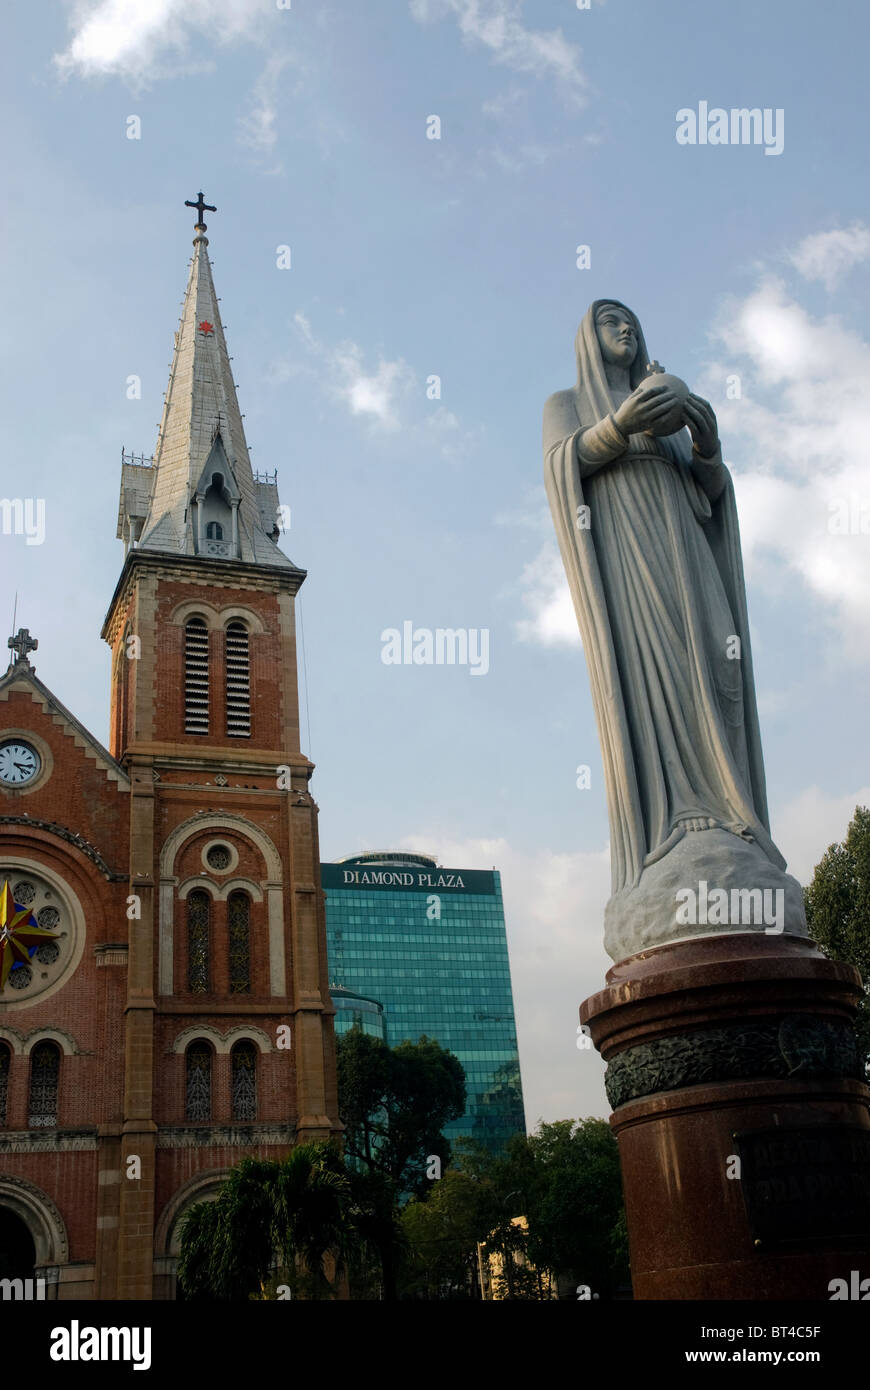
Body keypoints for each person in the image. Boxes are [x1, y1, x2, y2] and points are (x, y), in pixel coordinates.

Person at [543, 299, 787, 905]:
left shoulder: (670, 411)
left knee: (718, 664)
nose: (625, 328)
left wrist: (706, 447)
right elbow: (560, 467)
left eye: (631, 321)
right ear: (586, 339)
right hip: (633, 565)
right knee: (666, 679)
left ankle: (735, 813)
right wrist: (618, 426)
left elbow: (711, 494)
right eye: (609, 320)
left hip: (690, 562)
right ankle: (678, 816)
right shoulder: (566, 405)